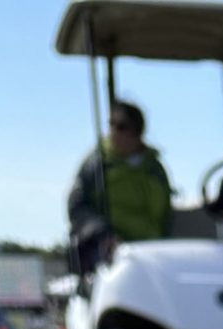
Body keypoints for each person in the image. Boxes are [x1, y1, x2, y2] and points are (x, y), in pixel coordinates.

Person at [68, 98, 171, 273]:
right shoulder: (97, 164)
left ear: (138, 131)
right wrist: (101, 234)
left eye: (121, 126)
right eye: (111, 124)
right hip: (107, 257)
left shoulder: (155, 168)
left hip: (151, 258)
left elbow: (165, 215)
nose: (114, 131)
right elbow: (76, 206)